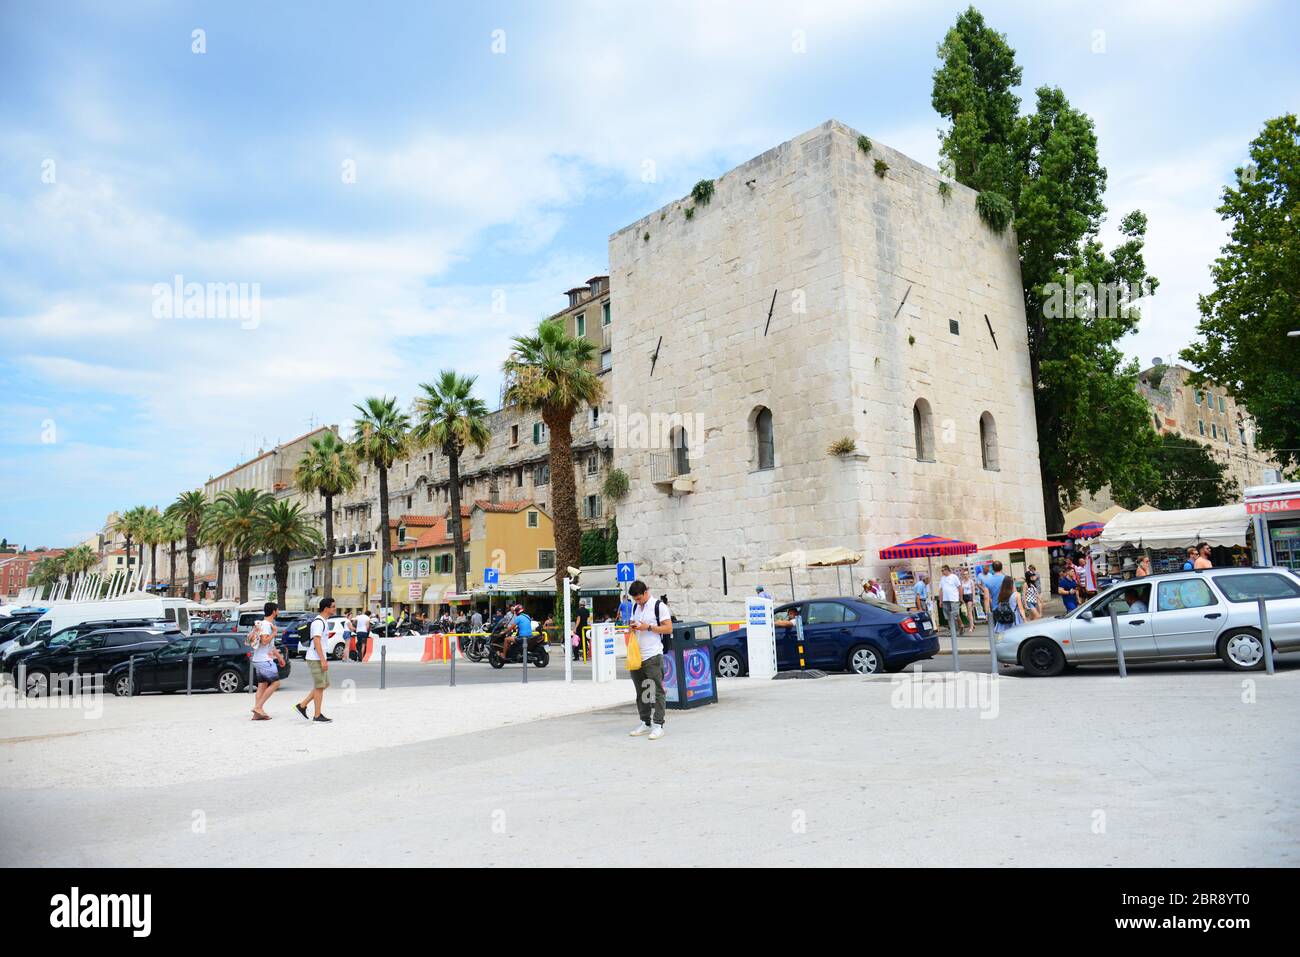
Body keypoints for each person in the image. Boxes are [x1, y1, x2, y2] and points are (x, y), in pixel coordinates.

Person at [626, 580, 672, 740]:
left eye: (639, 598)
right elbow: (634, 624)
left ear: (646, 592)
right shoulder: (635, 607)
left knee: (657, 690)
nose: (637, 602)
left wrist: (649, 627)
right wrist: (632, 626)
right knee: (641, 691)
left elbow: (668, 628)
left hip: (653, 654)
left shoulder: (659, 606)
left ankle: (658, 725)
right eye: (635, 599)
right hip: (637, 655)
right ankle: (645, 722)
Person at [296, 597, 335, 723]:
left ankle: (302, 705)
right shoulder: (318, 622)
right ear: (326, 608)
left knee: (325, 684)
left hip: (318, 657)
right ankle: (317, 716)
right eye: (333, 606)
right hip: (315, 658)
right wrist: (323, 660)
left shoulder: (323, 621)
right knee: (319, 686)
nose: (335, 608)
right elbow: (317, 641)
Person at [248, 601, 284, 720]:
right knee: (276, 683)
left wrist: (279, 657)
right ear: (274, 611)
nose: (278, 612)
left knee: (262, 685)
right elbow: (264, 641)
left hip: (259, 659)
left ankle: (257, 714)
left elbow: (271, 647)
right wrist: (274, 633)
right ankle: (258, 707)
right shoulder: (267, 625)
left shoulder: (263, 624)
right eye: (277, 610)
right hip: (264, 660)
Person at [938, 565, 962, 641]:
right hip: (945, 599)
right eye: (941, 571)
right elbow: (941, 590)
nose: (942, 572)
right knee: (947, 615)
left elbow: (960, 587)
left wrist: (960, 597)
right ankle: (952, 630)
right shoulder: (942, 578)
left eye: (943, 570)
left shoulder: (954, 577)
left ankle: (961, 625)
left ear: (947, 570)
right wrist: (940, 600)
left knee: (956, 614)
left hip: (953, 598)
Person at [958, 568, 976, 634]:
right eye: (964, 574)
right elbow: (961, 590)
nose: (965, 575)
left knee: (969, 612)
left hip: (969, 596)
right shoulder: (962, 582)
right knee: (965, 612)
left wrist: (973, 599)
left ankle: (971, 627)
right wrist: (961, 598)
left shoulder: (971, 581)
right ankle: (972, 624)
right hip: (964, 596)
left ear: (968, 575)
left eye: (966, 574)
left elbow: (973, 590)